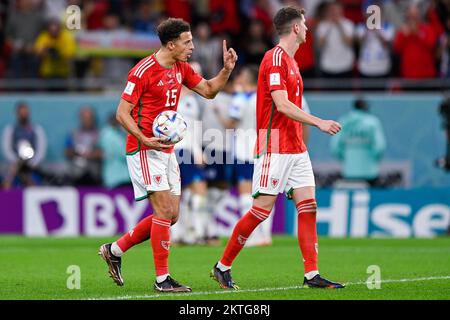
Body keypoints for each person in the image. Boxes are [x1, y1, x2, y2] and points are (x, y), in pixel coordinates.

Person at [98, 18, 237, 293]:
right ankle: (162, 279)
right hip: (144, 148)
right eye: (187, 42)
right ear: (171, 44)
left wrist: (226, 71)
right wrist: (143, 137)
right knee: (163, 211)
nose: (192, 47)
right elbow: (121, 113)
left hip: (167, 149)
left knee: (171, 216)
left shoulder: (181, 68)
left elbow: (209, 91)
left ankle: (114, 250)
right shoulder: (142, 71)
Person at [210, 6, 345, 290]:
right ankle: (223, 266)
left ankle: (312, 274)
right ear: (295, 28)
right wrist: (319, 122)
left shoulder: (293, 62)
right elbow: (282, 105)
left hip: (295, 148)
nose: (308, 28)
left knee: (308, 207)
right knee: (261, 210)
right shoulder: (274, 59)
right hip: (275, 145)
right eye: (305, 24)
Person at [331, 98, 386, 187]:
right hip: (370, 172)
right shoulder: (372, 122)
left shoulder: (344, 122)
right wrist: (373, 159)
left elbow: (335, 147)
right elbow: (380, 146)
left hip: (349, 171)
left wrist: (346, 158)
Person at [1, 101, 47, 189]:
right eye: (21, 113)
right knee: (8, 178)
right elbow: (6, 149)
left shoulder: (37, 130)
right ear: (17, 114)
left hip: (32, 166)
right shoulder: (10, 130)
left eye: (25, 112)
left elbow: (41, 150)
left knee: (32, 180)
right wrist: (18, 161)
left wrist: (30, 163)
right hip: (15, 165)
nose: (23, 115)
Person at [65, 106, 103, 186]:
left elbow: (103, 152)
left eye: (89, 118)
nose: (87, 121)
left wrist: (90, 154)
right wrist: (76, 152)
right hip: (77, 175)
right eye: (84, 118)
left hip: (94, 175)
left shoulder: (100, 135)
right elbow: (67, 152)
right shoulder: (74, 134)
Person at [98, 113, 130, 189]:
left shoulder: (104, 133)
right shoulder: (112, 135)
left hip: (112, 178)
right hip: (119, 177)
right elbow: (126, 154)